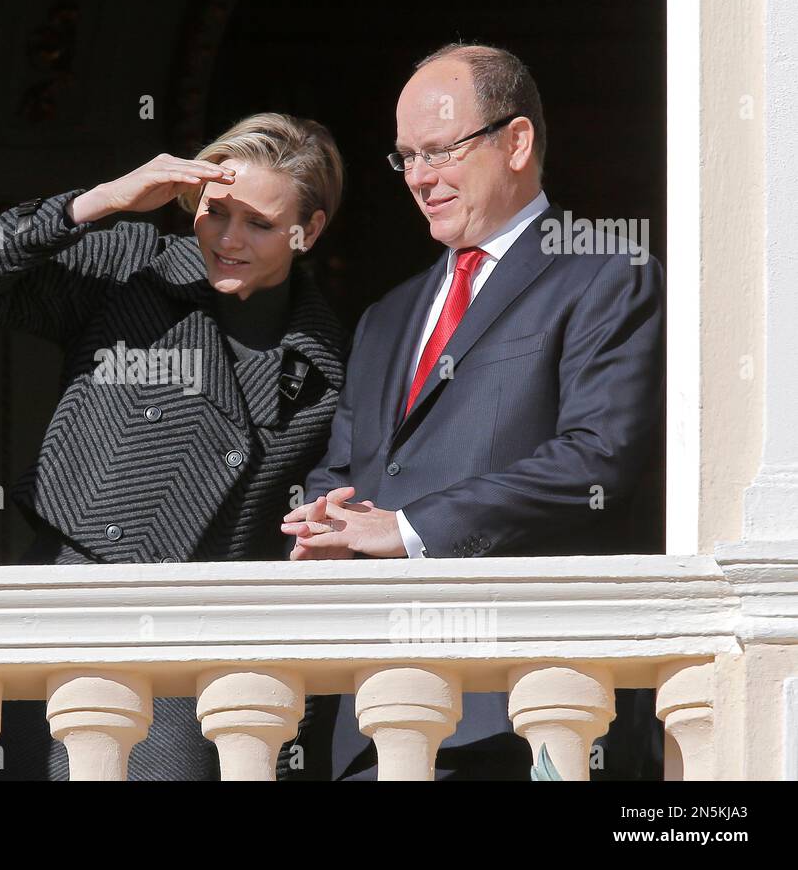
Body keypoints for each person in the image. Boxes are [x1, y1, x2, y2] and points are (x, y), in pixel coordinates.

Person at [282, 44, 666, 780]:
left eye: (440, 151)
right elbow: (346, 468)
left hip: (522, 710)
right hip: (378, 720)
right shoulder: (387, 317)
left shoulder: (606, 274)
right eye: (405, 159)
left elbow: (595, 459)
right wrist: (323, 519)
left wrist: (408, 529)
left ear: (516, 142)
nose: (420, 179)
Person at [0, 112, 346, 780]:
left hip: (194, 640)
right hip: (60, 605)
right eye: (215, 213)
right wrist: (102, 200)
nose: (229, 240)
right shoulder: (131, 266)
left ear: (308, 229)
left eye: (259, 224)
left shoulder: (327, 363)